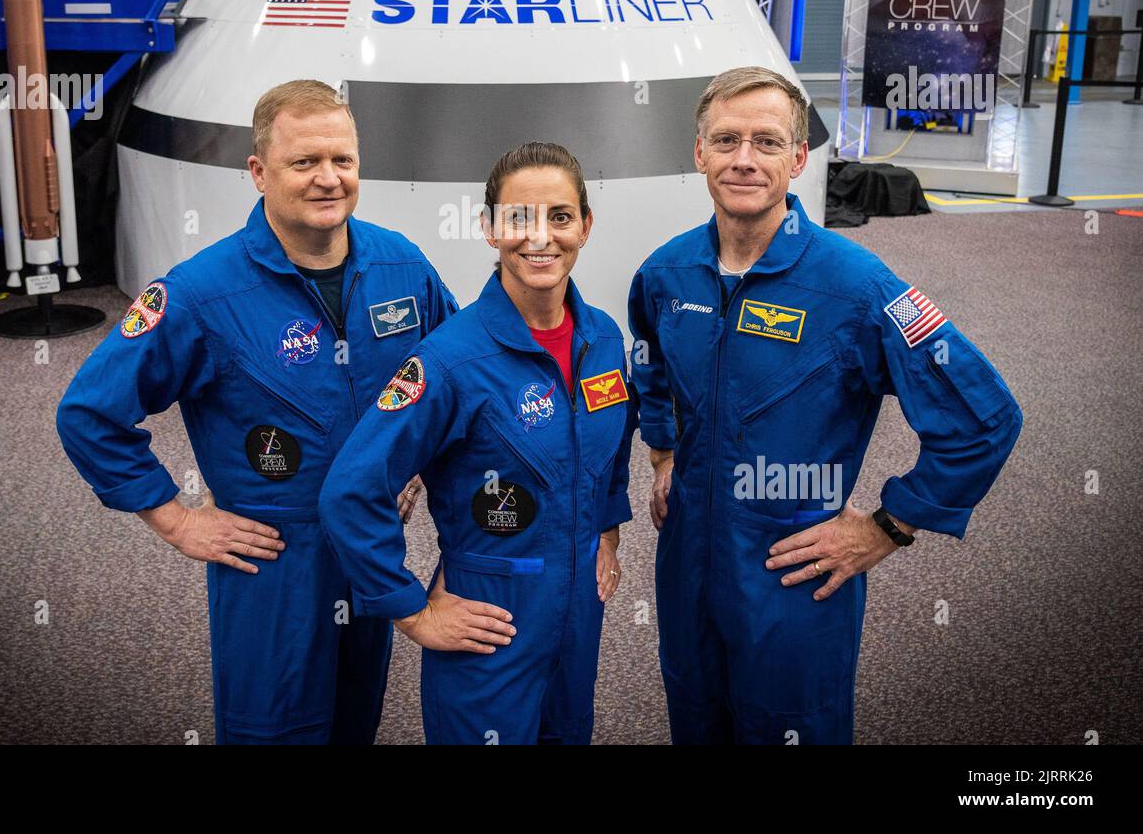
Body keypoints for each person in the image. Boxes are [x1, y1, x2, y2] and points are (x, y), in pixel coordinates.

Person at [628, 66, 1022, 745]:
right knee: (695, 718)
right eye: (725, 140)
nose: (744, 158)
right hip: (687, 562)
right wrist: (664, 450)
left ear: (799, 156)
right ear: (699, 153)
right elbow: (651, 363)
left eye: (766, 141)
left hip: (795, 573)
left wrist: (887, 526)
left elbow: (984, 417)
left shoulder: (858, 286)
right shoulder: (665, 275)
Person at [56, 79, 457, 744]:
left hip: (371, 546)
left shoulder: (401, 266)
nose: (329, 178)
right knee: (274, 730)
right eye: (305, 162)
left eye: (344, 160)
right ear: (258, 172)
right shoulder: (199, 294)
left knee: (356, 720)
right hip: (274, 564)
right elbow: (88, 413)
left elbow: (453, 383)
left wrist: (415, 464)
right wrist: (175, 519)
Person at [319, 142, 635, 745]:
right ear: (489, 228)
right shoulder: (449, 360)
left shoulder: (603, 339)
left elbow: (611, 444)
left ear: (586, 227)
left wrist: (607, 528)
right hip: (490, 616)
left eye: (560, 217)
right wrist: (410, 609)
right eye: (518, 218)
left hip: (578, 612)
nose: (540, 237)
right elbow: (350, 491)